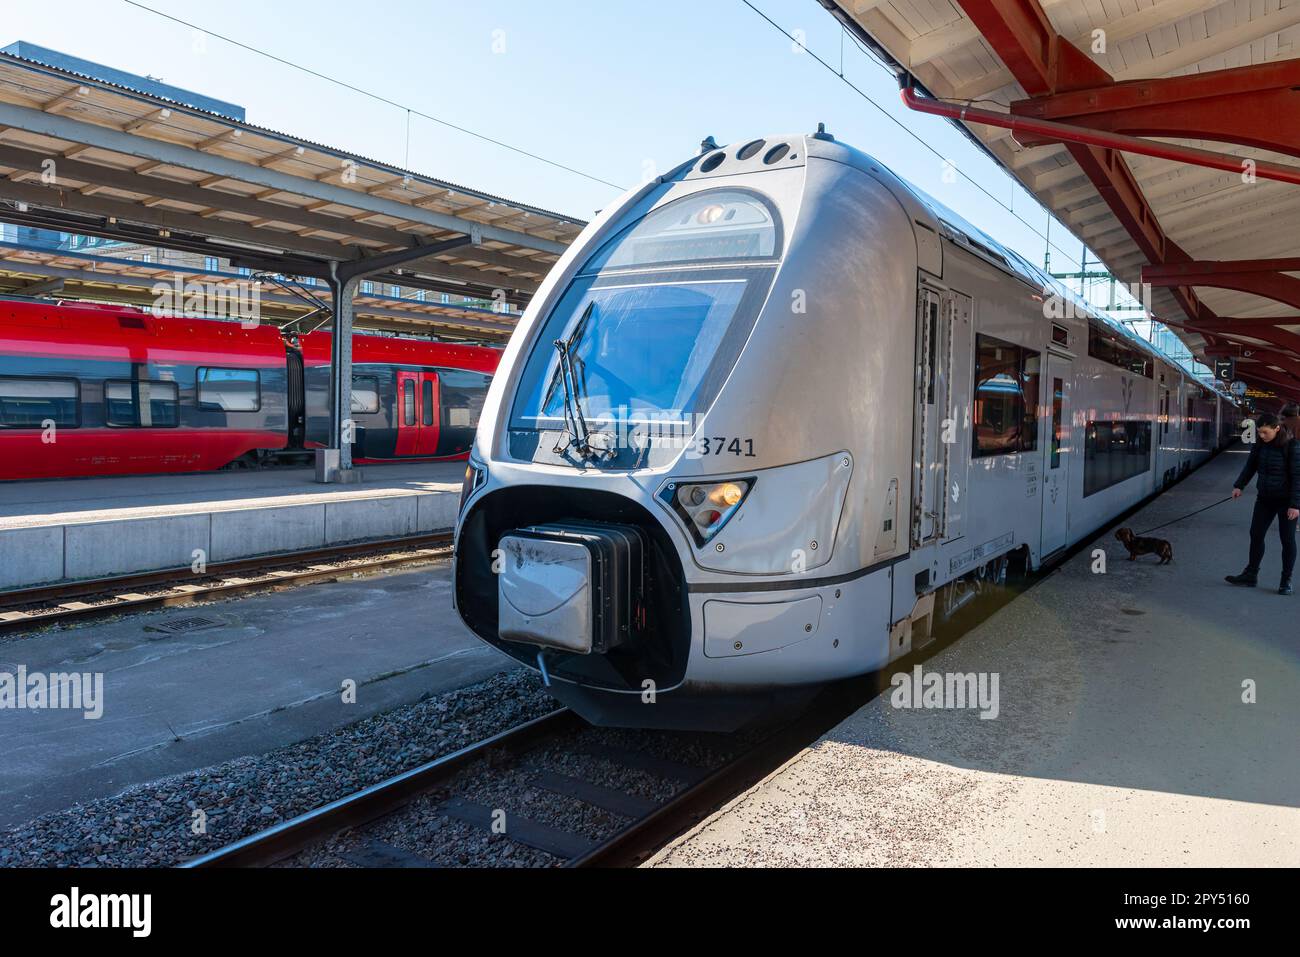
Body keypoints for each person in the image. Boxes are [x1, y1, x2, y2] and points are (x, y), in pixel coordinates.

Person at [1226, 412, 1300, 595]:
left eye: (1265, 432)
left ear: (1277, 428)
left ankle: (1286, 581)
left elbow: (1298, 477)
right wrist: (1239, 485)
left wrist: (1295, 505)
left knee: (1287, 540)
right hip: (1265, 498)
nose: (1261, 436)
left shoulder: (1292, 446)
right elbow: (1251, 465)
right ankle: (1251, 575)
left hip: (1286, 502)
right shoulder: (1260, 445)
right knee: (1256, 534)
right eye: (1259, 432)